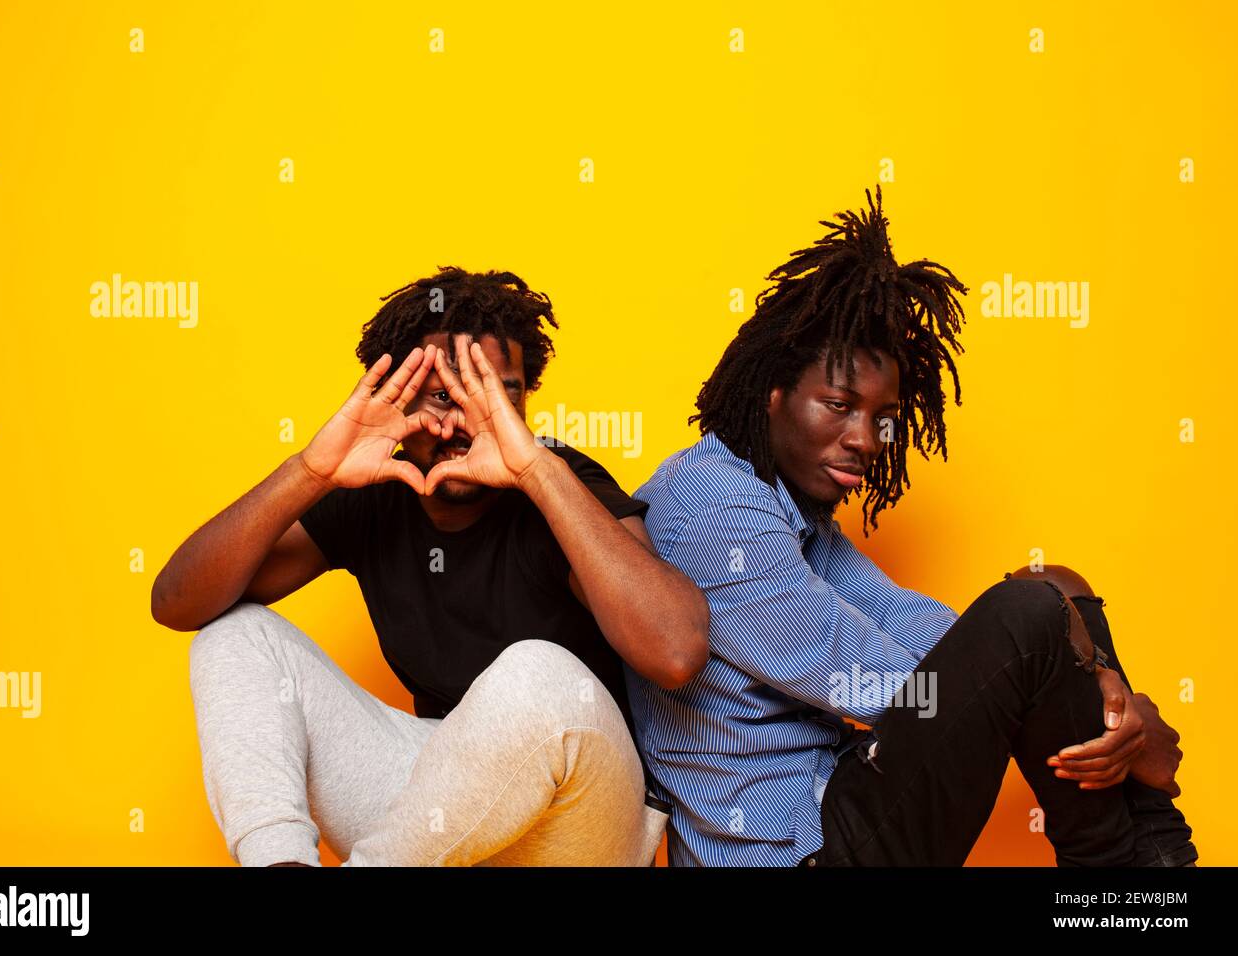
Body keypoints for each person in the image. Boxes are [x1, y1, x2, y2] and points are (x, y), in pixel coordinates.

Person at [625, 187, 1197, 867]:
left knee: (1053, 590)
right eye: (838, 406)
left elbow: (922, 629)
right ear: (771, 395)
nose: (865, 439)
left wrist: (1094, 673)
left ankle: (1149, 872)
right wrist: (1107, 706)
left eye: (881, 418)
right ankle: (1122, 872)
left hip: (839, 811)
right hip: (801, 855)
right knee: (1030, 615)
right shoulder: (715, 508)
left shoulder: (791, 514)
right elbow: (900, 684)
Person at [152, 266, 708, 867]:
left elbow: (675, 654)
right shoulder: (373, 493)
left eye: (500, 394)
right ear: (395, 395)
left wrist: (538, 474)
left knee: (536, 671)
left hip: (578, 821)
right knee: (235, 634)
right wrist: (311, 471)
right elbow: (180, 603)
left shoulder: (561, 483)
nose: (472, 421)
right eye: (447, 394)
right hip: (439, 820)